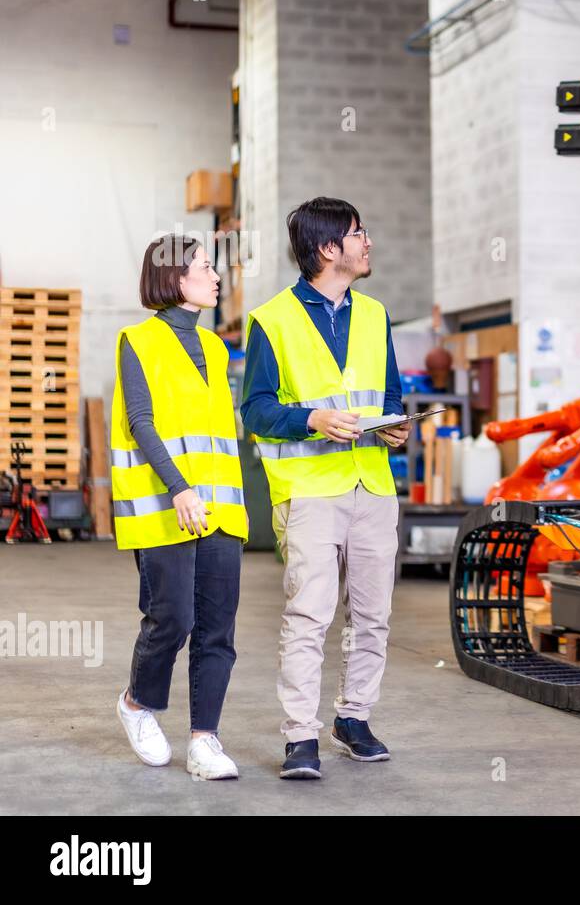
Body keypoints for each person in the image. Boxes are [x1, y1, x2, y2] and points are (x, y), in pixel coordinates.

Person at [241, 197, 409, 780]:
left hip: (373, 485)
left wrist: (395, 426)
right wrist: (311, 419)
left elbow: (388, 399)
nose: (369, 243)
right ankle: (299, 736)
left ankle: (354, 719)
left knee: (373, 614)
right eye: (359, 234)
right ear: (328, 249)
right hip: (309, 488)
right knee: (309, 615)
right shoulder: (271, 320)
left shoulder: (375, 314)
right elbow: (257, 410)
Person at [112, 234, 248, 780]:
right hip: (165, 506)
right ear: (174, 277)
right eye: (206, 267)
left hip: (220, 509)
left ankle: (204, 740)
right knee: (173, 617)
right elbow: (140, 422)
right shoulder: (137, 341)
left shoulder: (216, 349)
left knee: (217, 627)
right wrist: (179, 486)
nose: (216, 277)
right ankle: (138, 703)